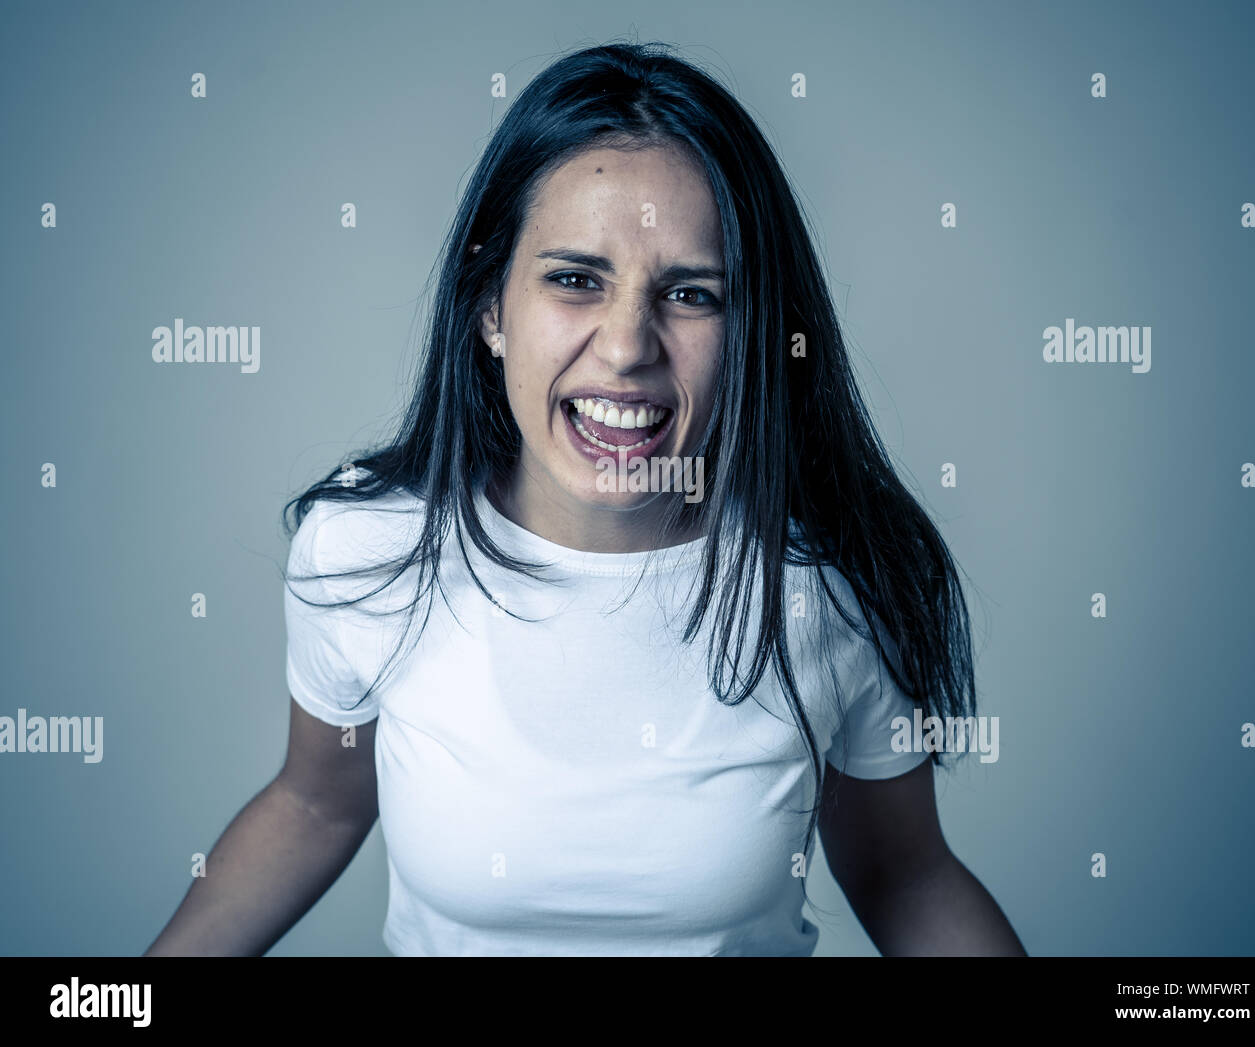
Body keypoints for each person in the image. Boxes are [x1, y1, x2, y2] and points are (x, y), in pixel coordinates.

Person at [146, 40, 1025, 957]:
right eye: (575, 280)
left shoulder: (833, 584)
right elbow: (315, 801)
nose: (625, 347)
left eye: (690, 294)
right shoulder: (369, 549)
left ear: (754, 336)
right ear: (490, 306)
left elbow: (904, 872)